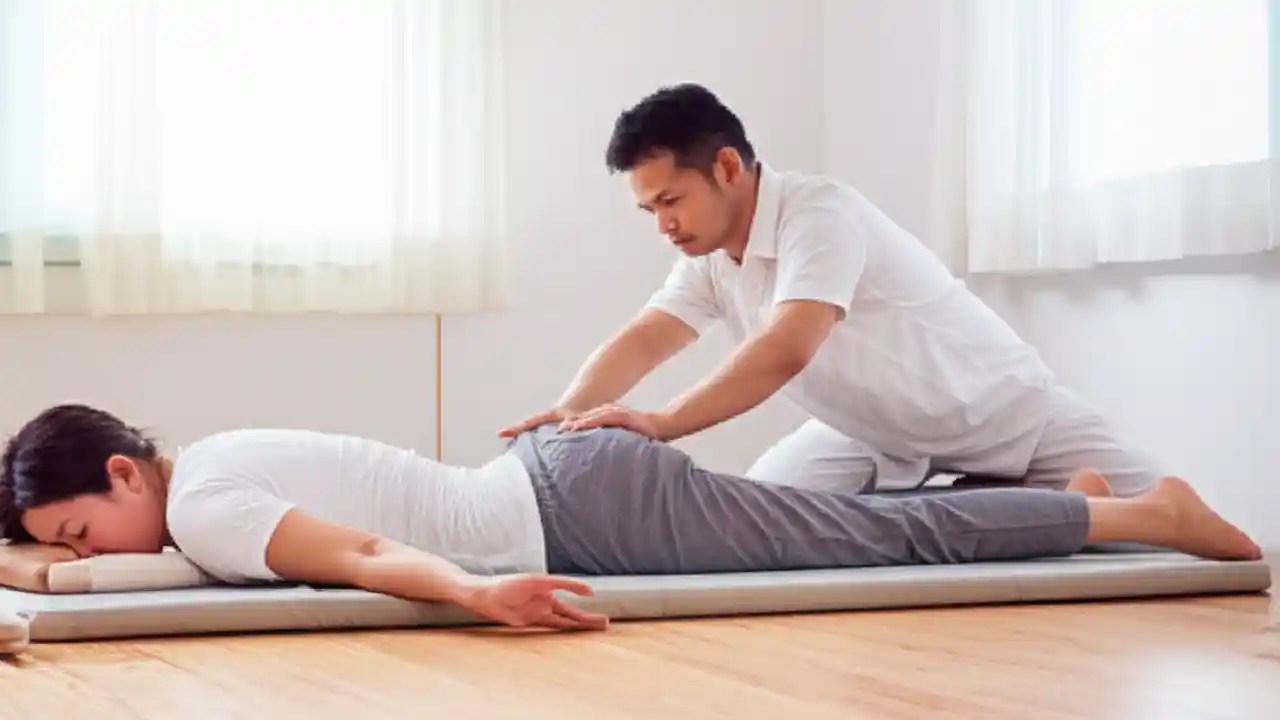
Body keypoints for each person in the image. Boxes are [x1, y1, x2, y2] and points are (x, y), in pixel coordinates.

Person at [0, 405, 1261, 632]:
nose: (85, 560)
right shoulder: (213, 456)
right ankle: (1066, 506)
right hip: (571, 485)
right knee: (810, 521)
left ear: (124, 475)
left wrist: (483, 596)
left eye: (73, 535)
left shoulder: (210, 507)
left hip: (570, 516)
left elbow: (374, 558)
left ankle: (1137, 513)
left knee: (868, 543)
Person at [501, 83, 1165, 497]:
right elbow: (647, 338)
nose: (664, 224)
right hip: (870, 432)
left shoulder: (820, 215)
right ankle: (1042, 509)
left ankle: (1061, 502)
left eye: (671, 200)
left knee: (1221, 552)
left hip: (999, 411)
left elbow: (787, 347)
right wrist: (568, 411)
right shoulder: (706, 254)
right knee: (755, 524)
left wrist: (662, 424)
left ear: (727, 167)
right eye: (650, 211)